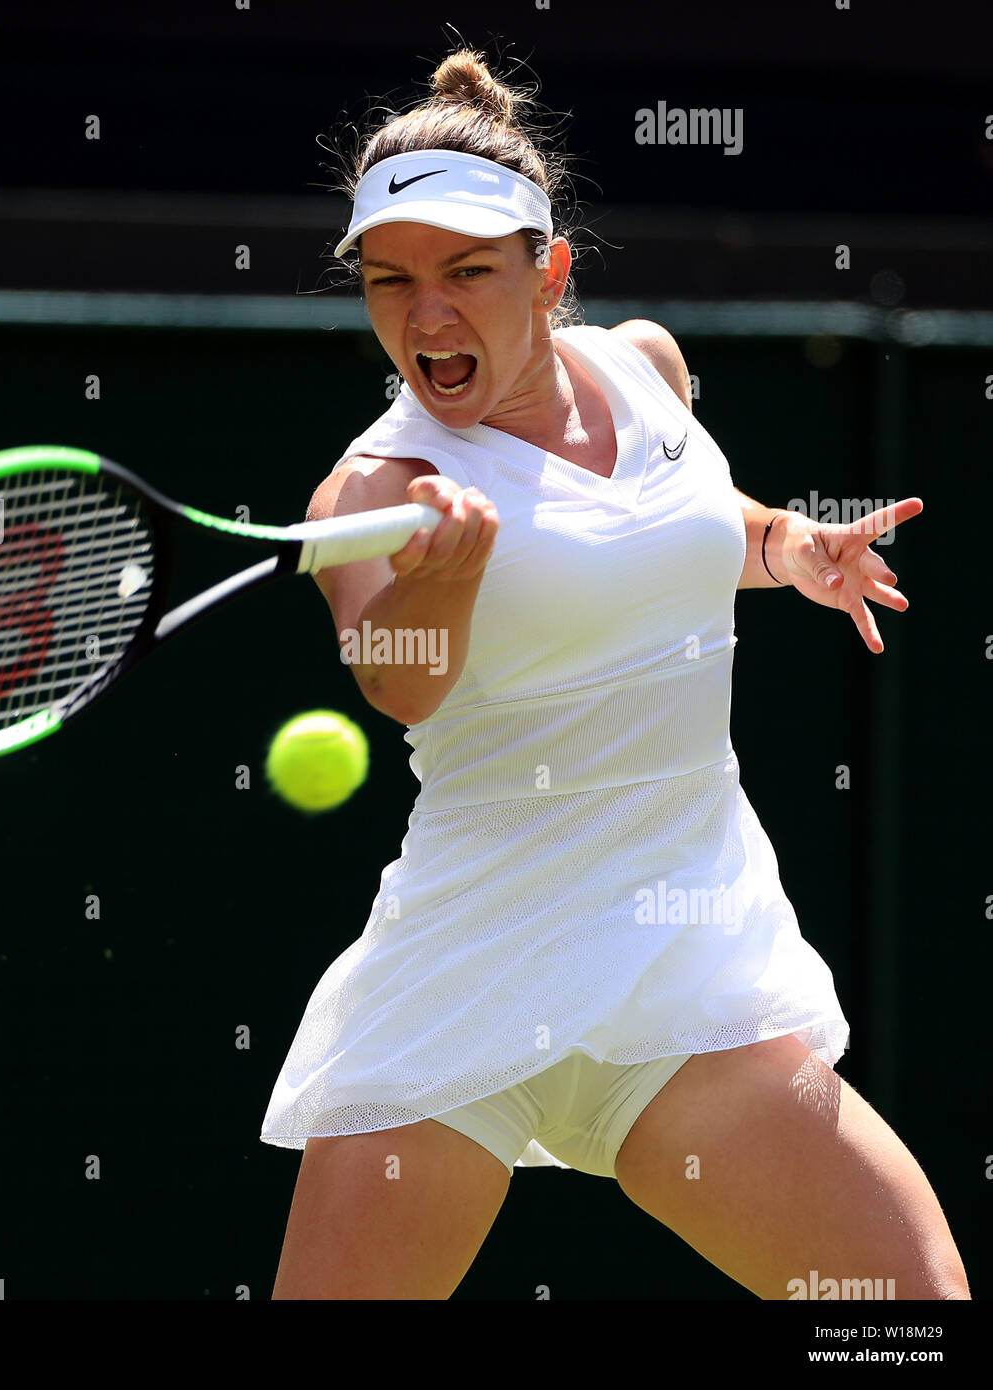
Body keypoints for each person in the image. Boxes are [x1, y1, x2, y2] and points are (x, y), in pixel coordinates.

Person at [260, 46, 970, 1302]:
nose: (426, 316)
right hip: (467, 984)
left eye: (467, 272)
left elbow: (686, 531)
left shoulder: (643, 367)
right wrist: (441, 579)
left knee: (909, 1312)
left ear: (550, 274)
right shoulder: (369, 492)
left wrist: (789, 546)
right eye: (390, 281)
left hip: (687, 974)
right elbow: (396, 684)